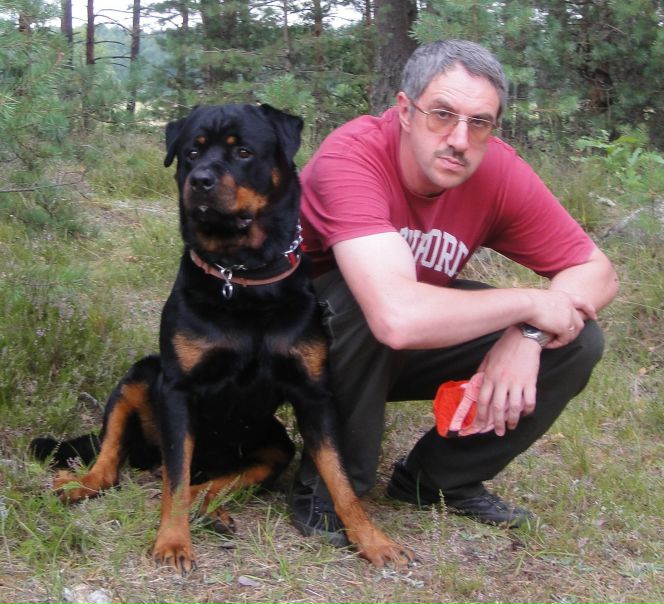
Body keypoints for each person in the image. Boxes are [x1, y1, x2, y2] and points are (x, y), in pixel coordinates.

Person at [289, 39, 618, 545]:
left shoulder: (495, 172)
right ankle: (332, 488)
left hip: (395, 345)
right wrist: (530, 303)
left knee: (576, 339)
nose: (459, 140)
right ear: (405, 111)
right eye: (442, 114)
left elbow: (597, 271)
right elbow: (395, 316)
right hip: (292, 352)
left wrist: (527, 335)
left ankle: (438, 479)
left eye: (479, 122)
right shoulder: (353, 156)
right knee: (364, 298)